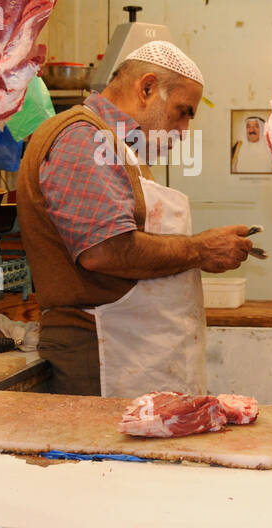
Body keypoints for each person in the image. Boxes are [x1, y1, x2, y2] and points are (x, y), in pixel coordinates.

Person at [16, 40, 253, 396]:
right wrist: (199, 250)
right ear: (146, 88)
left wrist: (200, 250)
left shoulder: (117, 148)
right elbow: (104, 250)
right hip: (101, 363)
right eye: (182, 111)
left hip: (133, 360)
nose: (184, 130)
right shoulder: (83, 138)